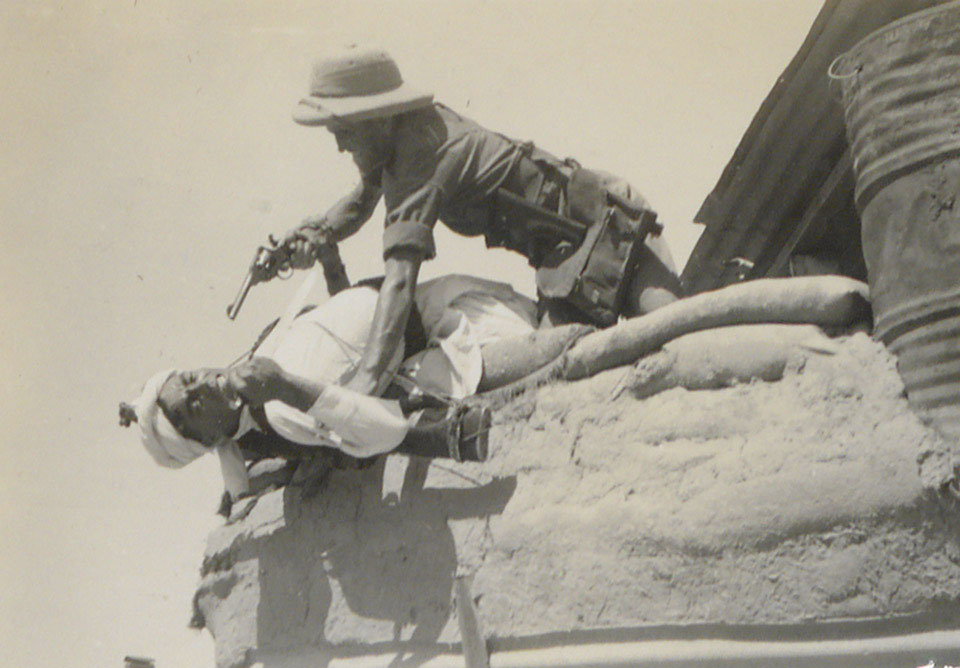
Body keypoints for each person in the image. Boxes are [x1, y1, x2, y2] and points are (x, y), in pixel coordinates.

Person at [276, 45, 682, 397]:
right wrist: (320, 232)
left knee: (684, 340)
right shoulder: (402, 135)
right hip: (566, 263)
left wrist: (364, 383)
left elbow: (400, 280)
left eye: (343, 129)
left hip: (610, 231)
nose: (339, 144)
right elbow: (360, 201)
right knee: (555, 368)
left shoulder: (419, 157)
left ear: (378, 118)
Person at [119, 274, 565, 510]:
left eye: (190, 376)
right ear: (211, 440)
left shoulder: (264, 345)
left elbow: (342, 340)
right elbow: (381, 428)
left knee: (551, 304)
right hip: (452, 350)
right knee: (571, 342)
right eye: (193, 404)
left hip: (434, 295)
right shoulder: (279, 417)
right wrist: (283, 387)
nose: (201, 382)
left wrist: (330, 259)